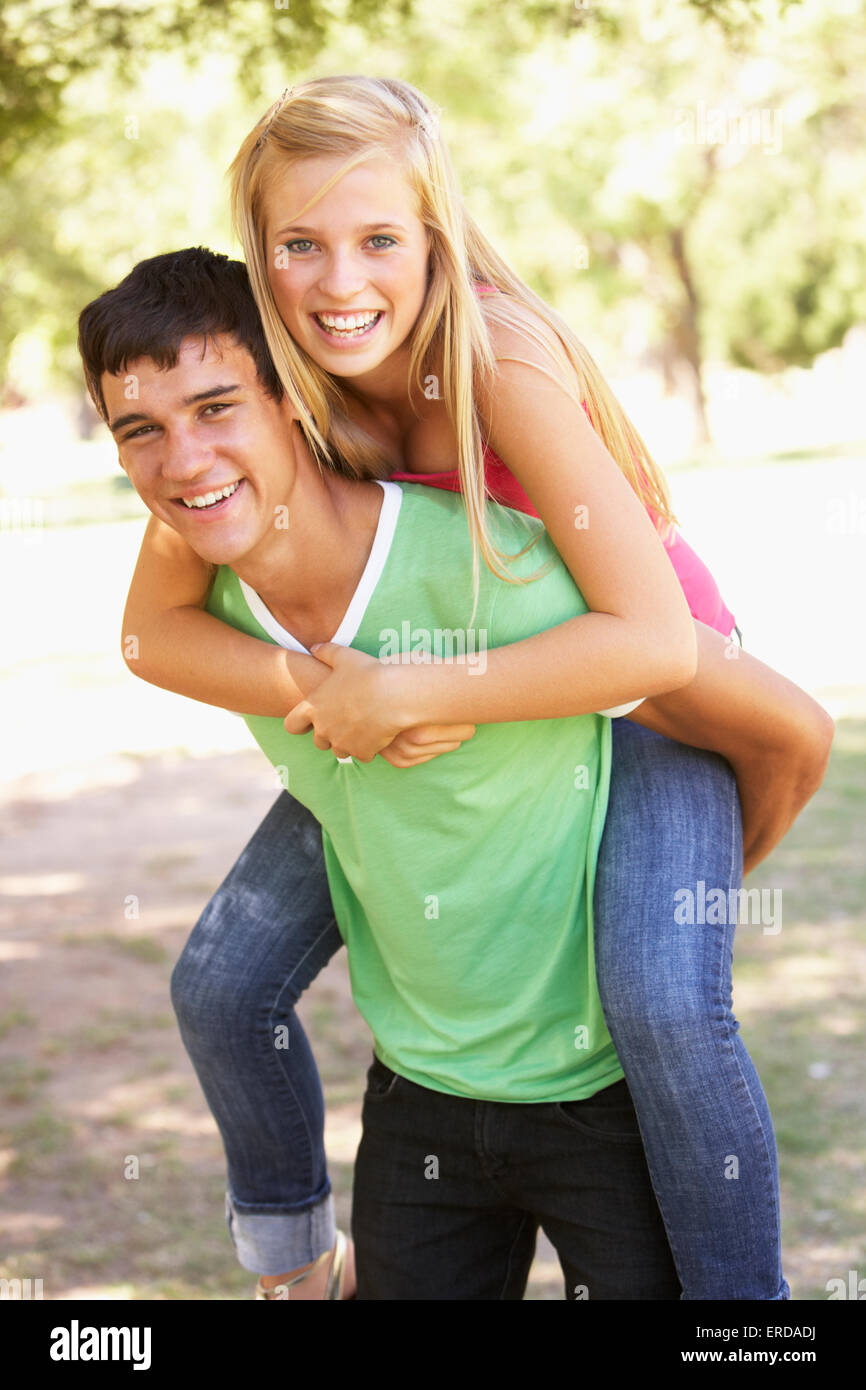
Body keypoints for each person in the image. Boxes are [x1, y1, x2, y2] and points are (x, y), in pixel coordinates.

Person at [112, 78, 832, 1300]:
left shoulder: (489, 357)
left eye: (379, 239)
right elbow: (150, 633)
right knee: (227, 980)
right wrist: (327, 687)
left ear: (434, 236)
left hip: (641, 694)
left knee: (659, 1002)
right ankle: (300, 1269)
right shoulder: (276, 388)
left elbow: (651, 642)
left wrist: (411, 693)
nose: (340, 282)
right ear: (258, 250)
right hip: (432, 698)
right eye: (299, 246)